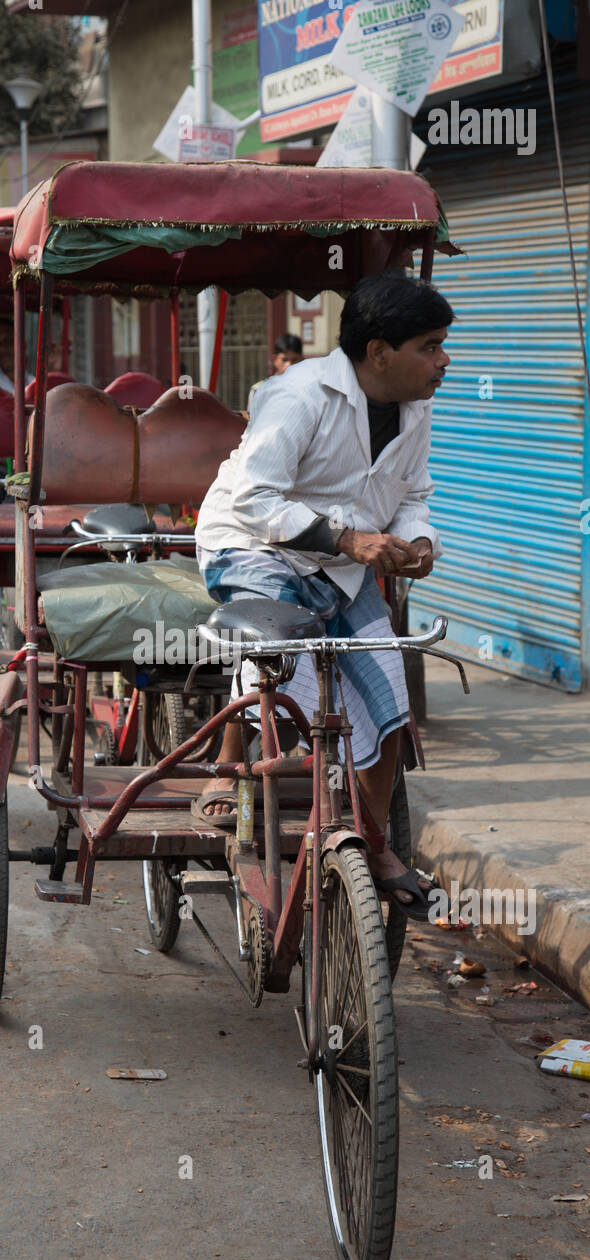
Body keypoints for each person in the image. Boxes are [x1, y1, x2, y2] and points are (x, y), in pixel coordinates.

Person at [194, 273, 453, 922]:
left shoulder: (415, 407)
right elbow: (254, 500)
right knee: (285, 662)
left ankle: (369, 839)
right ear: (379, 352)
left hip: (341, 564)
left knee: (389, 690)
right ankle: (230, 766)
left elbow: (414, 495)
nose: (443, 361)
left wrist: (417, 543)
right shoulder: (299, 395)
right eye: (430, 346)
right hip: (253, 547)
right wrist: (349, 538)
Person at [247, 332, 303, 411]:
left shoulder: (309, 389)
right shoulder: (259, 390)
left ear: (302, 360)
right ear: (275, 359)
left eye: (295, 360)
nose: (289, 365)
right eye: (284, 360)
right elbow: (251, 420)